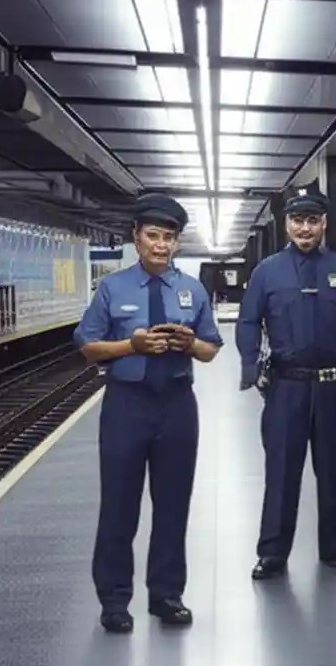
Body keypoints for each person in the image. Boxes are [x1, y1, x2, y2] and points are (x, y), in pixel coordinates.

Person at [73, 193, 223, 633]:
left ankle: (166, 594)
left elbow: (211, 348)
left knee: (173, 505)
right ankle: (115, 600)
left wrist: (188, 344)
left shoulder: (191, 289)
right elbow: (87, 347)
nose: (161, 245)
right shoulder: (113, 288)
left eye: (169, 238)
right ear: (136, 237)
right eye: (153, 236)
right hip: (127, 404)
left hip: (177, 405)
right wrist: (131, 346)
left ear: (177, 242)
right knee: (119, 506)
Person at [236, 188, 336, 580]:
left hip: (335, 388)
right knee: (281, 471)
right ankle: (273, 553)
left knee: (334, 471)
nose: (304, 228)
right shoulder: (267, 272)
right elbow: (248, 321)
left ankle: (335, 547)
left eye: (312, 220)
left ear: (324, 224)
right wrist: (251, 367)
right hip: (286, 388)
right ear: (287, 224)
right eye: (298, 220)